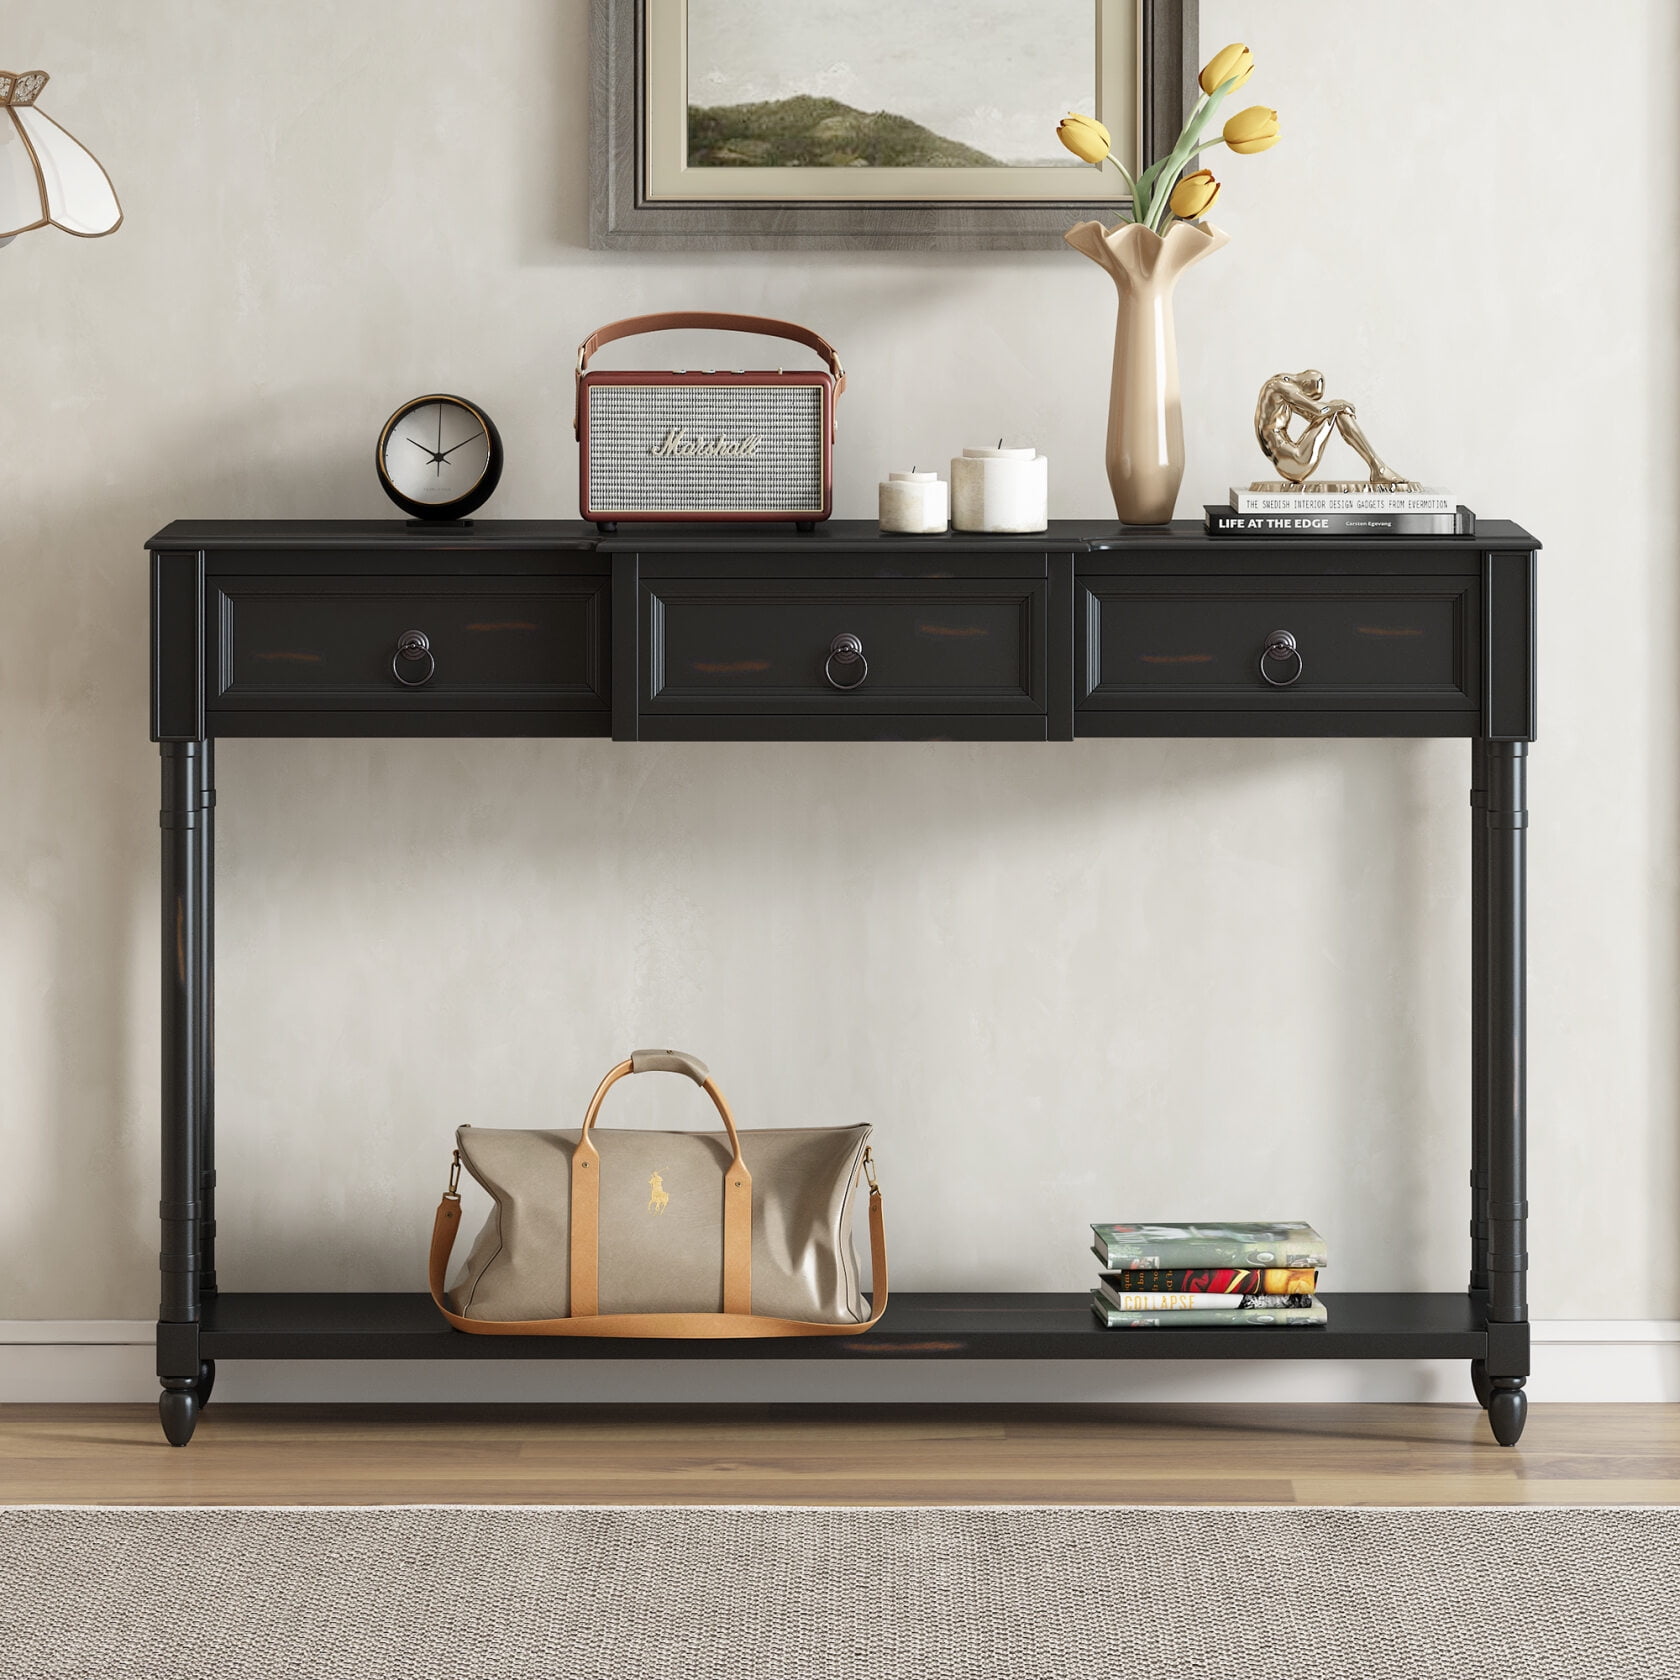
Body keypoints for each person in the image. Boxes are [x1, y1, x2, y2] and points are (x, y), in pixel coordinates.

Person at [1254, 370, 1412, 488]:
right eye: (1309, 397)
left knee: (1335, 409)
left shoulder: (1281, 385)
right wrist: (1340, 405)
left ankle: (1378, 467)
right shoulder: (1281, 386)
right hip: (1295, 460)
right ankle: (1378, 468)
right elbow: (1318, 410)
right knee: (1337, 407)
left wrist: (1333, 408)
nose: (1307, 400)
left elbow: (1314, 415)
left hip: (1286, 459)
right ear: (1305, 384)